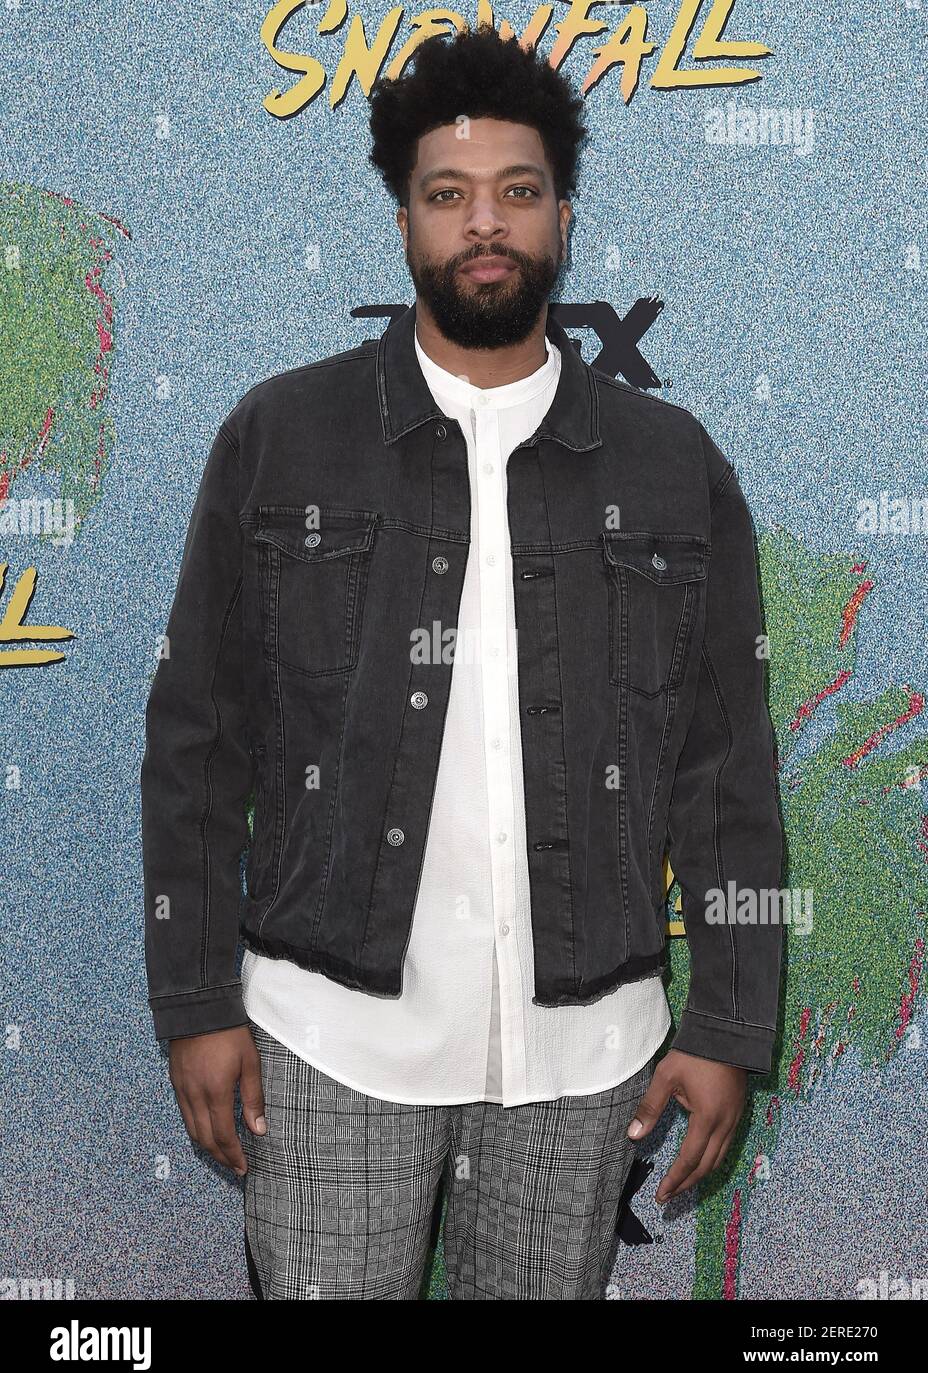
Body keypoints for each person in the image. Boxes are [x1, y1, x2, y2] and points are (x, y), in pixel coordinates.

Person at [141, 23, 784, 1300]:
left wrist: (725, 1022)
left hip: (585, 1051)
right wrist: (195, 1000)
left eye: (517, 192)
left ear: (563, 217)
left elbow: (724, 766)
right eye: (448, 195)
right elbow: (196, 740)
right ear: (403, 223)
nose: (483, 223)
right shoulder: (283, 435)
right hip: (330, 1039)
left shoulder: (670, 463)